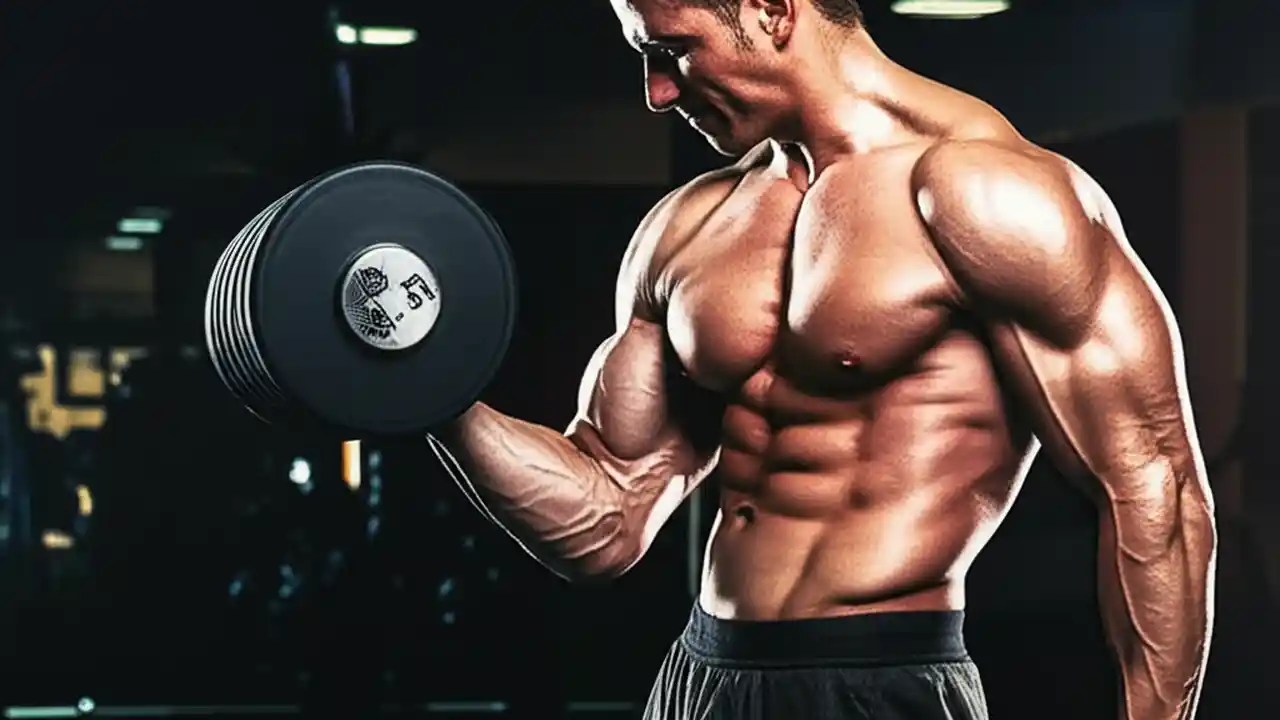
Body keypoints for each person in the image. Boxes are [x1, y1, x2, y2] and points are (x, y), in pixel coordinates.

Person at [426, 1, 1218, 718]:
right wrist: (429, 394)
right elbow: (607, 516)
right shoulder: (689, 226)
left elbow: (1155, 488)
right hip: (703, 677)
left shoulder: (988, 194)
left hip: (881, 679)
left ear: (772, 11)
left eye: (674, 51)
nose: (657, 93)